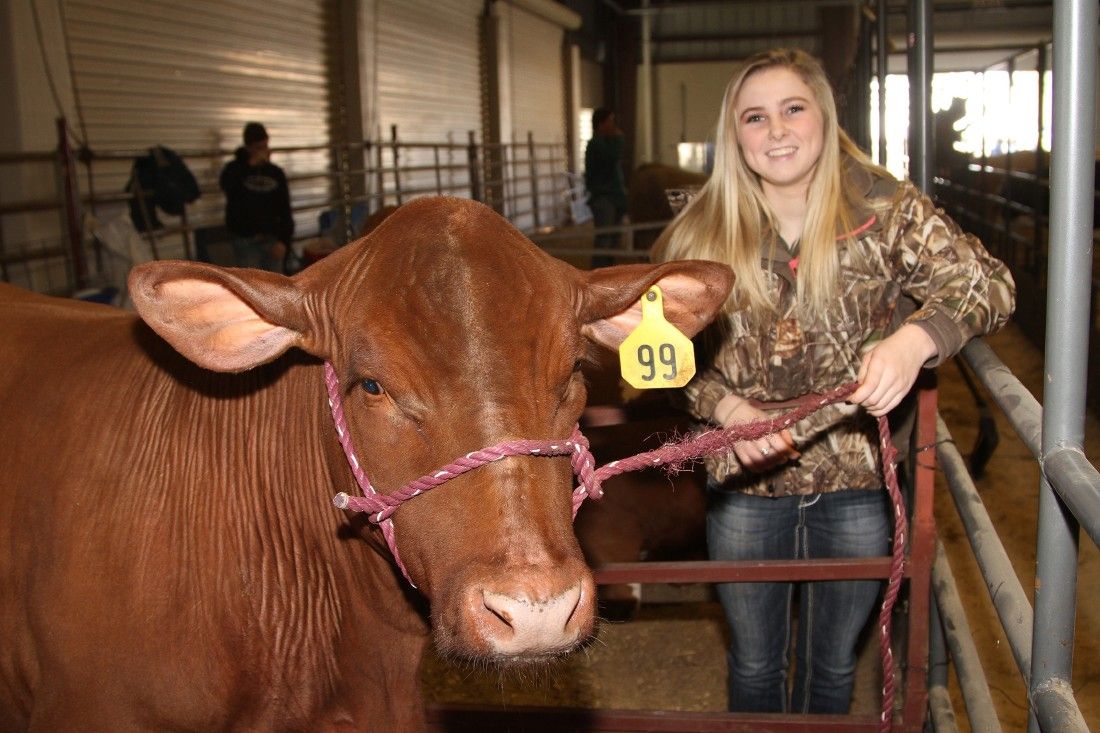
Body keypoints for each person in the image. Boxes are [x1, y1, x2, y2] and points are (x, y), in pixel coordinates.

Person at [653, 48, 1015, 715]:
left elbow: (989, 281)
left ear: (824, 115)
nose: (778, 130)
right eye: (755, 117)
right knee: (755, 661)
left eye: (794, 109)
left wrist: (916, 339)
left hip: (856, 479)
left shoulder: (886, 212)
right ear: (736, 136)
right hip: (743, 481)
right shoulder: (700, 231)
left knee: (832, 664)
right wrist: (727, 408)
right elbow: (660, 349)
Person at [219, 122, 294, 272]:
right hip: (245, 241)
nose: (263, 151)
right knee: (251, 286)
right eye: (258, 148)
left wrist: (284, 241)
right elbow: (229, 189)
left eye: (265, 146)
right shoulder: (234, 170)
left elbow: (285, 208)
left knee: (275, 286)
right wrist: (249, 165)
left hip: (272, 239)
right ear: (248, 148)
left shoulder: (275, 173)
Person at [584, 108, 628, 267]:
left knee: (614, 237)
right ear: (601, 124)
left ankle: (608, 270)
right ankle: (599, 272)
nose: (613, 125)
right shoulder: (596, 144)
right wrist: (619, 138)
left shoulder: (603, 143)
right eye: (610, 121)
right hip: (604, 197)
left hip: (613, 196)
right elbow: (613, 156)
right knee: (605, 238)